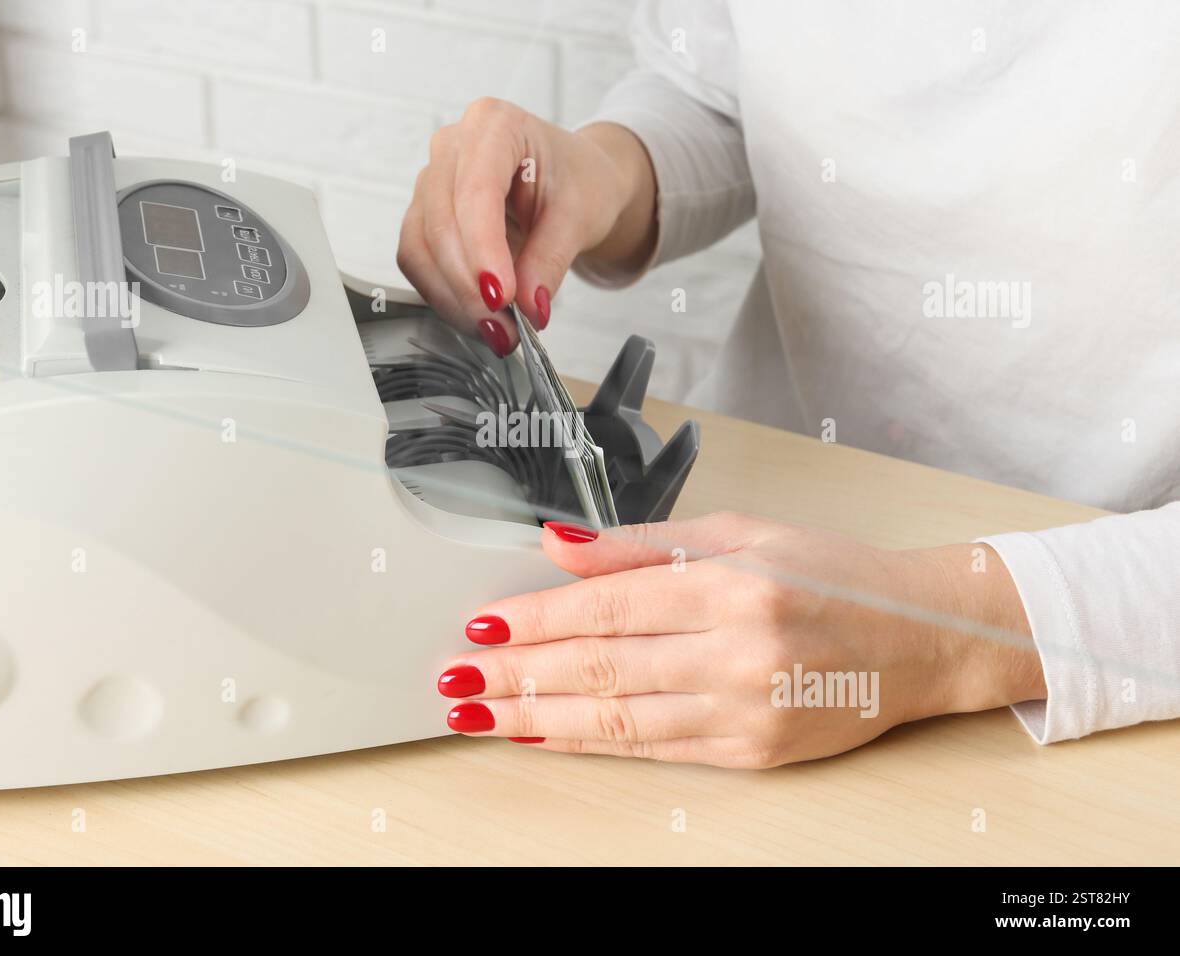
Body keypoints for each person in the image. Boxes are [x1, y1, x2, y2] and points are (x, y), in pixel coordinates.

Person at [396, 0, 1180, 768]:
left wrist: (935, 636)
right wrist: (603, 169)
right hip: (758, 522)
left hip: (1107, 635)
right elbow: (718, 87)